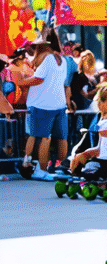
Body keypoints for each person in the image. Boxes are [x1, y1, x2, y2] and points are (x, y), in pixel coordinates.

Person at [14, 30, 72, 179]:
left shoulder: (47, 59)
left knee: (42, 137)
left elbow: (39, 79)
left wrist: (20, 82)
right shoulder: (63, 60)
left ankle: (41, 170)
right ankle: (61, 166)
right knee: (62, 138)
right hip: (58, 104)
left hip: (41, 104)